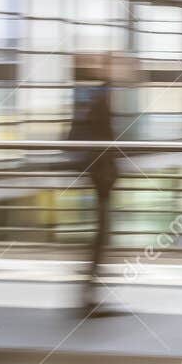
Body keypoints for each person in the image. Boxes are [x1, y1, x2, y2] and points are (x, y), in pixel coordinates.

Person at [67, 53, 127, 318]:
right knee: (102, 236)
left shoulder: (97, 96)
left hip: (99, 175)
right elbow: (100, 139)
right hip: (100, 176)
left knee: (102, 236)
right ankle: (88, 297)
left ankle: (90, 295)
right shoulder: (100, 96)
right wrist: (107, 170)